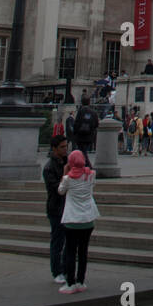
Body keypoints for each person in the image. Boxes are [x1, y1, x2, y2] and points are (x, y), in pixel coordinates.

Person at [57, 150, 100, 293]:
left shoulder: (68, 179)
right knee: (83, 252)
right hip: (88, 218)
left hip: (72, 219)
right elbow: (91, 185)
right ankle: (81, 281)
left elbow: (61, 191)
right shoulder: (91, 175)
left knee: (70, 251)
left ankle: (70, 283)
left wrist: (65, 173)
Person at [42, 134, 70, 283]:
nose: (66, 149)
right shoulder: (49, 168)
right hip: (56, 208)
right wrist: (66, 173)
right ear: (54, 149)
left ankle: (66, 269)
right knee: (57, 241)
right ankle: (56, 271)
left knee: (68, 241)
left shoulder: (68, 161)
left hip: (68, 207)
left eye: (66, 146)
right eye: (62, 147)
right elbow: (56, 189)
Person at [71, 95, 98, 164]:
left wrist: (74, 134)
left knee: (82, 151)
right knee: (84, 151)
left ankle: (87, 165)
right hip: (90, 135)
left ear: (82, 103)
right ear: (89, 102)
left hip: (80, 136)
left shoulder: (81, 111)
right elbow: (96, 124)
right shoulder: (94, 112)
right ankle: (84, 165)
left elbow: (76, 123)